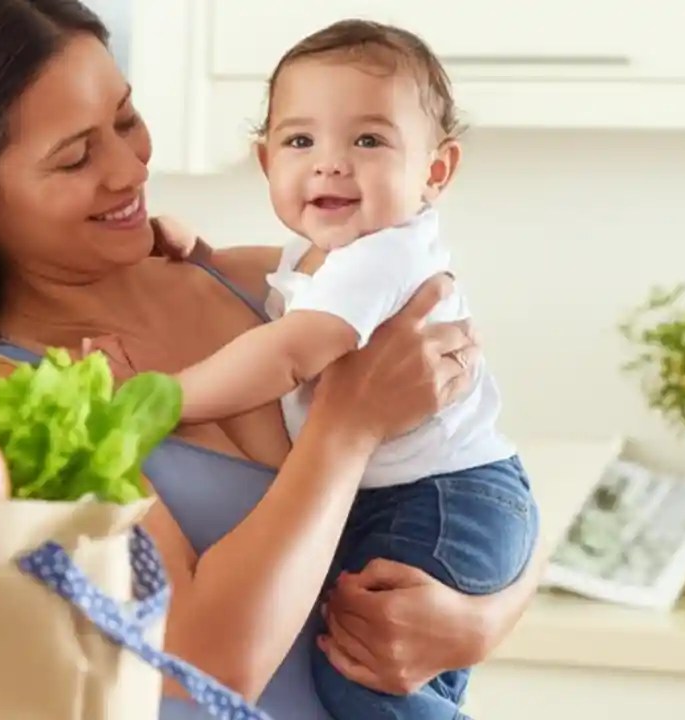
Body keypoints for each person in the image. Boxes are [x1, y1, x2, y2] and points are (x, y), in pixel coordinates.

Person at [0, 1, 541, 718]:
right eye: (76, 156)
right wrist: (345, 429)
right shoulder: (4, 396)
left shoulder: (256, 281)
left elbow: (474, 468)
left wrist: (484, 619)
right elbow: (200, 663)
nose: (130, 168)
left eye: (127, 119)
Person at [154, 20, 539, 720]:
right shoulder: (329, 260)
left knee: (360, 675)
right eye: (301, 141)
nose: (331, 163)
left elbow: (288, 351)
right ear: (266, 161)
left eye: (367, 140)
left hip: (442, 499)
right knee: (395, 676)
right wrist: (200, 254)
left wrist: (161, 398)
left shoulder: (379, 258)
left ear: (436, 170)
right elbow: (279, 279)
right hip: (456, 494)